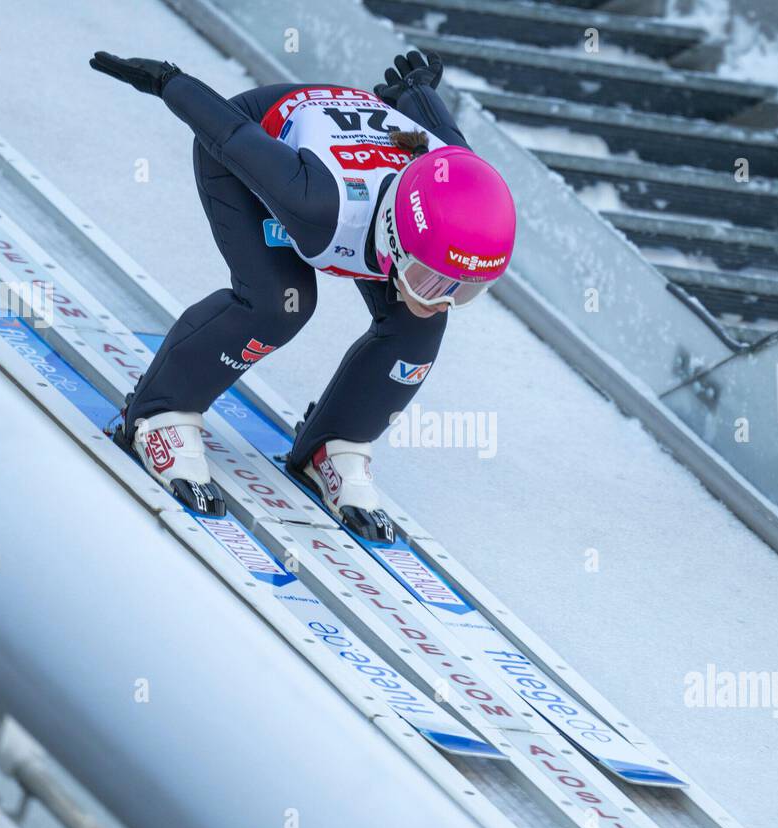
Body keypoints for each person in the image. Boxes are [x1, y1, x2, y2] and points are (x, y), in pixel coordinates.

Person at [88, 50, 517, 541]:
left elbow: (447, 146)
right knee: (280, 302)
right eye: (432, 282)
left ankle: (333, 444)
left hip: (387, 139)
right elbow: (230, 136)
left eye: (465, 290)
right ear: (397, 238)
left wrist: (415, 94)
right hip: (256, 139)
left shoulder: (442, 172)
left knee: (418, 329)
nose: (443, 298)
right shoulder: (319, 204)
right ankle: (159, 410)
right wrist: (170, 82)